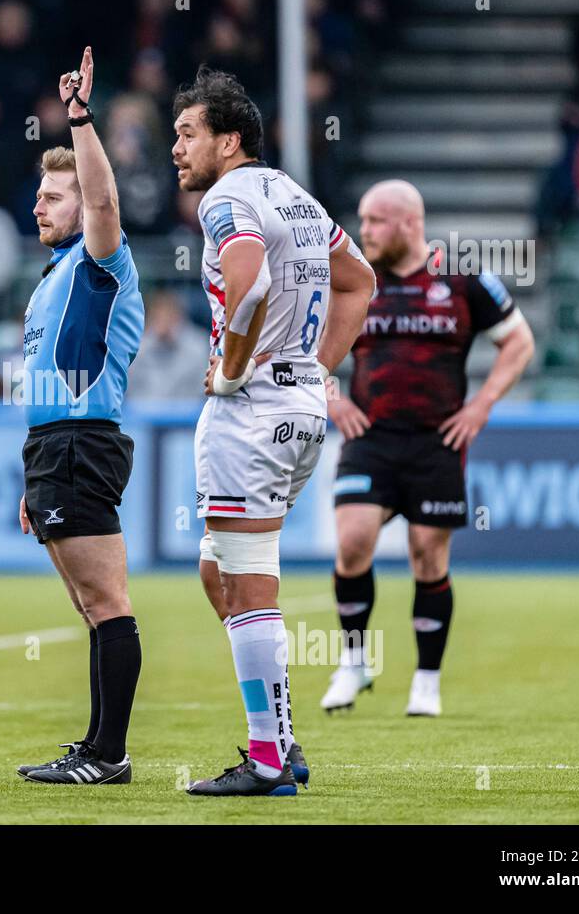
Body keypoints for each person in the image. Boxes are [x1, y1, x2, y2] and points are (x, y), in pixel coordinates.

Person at [171, 66, 373, 796]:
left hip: (250, 411)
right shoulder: (297, 196)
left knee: (250, 585)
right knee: (218, 570)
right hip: (300, 412)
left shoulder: (227, 200)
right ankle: (281, 740)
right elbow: (360, 283)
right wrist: (314, 368)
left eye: (188, 133)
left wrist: (229, 366)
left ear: (229, 141)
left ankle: (266, 760)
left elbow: (249, 282)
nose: (176, 148)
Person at [322, 180, 534, 717]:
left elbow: (519, 341)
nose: (363, 231)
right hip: (370, 437)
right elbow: (303, 343)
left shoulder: (462, 279)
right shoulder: (351, 280)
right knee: (351, 542)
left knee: (428, 555)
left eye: (374, 221)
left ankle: (427, 678)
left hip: (438, 440)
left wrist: (481, 405)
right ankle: (354, 661)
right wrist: (331, 396)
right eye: (362, 220)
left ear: (409, 224)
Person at [16, 48, 145, 785]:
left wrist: (81, 119)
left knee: (106, 602)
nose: (41, 204)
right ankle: (99, 748)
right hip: (53, 448)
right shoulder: (54, 276)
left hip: (81, 443)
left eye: (53, 196)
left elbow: (102, 204)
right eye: (39, 194)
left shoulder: (101, 258)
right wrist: (29, 480)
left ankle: (108, 755)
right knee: (91, 606)